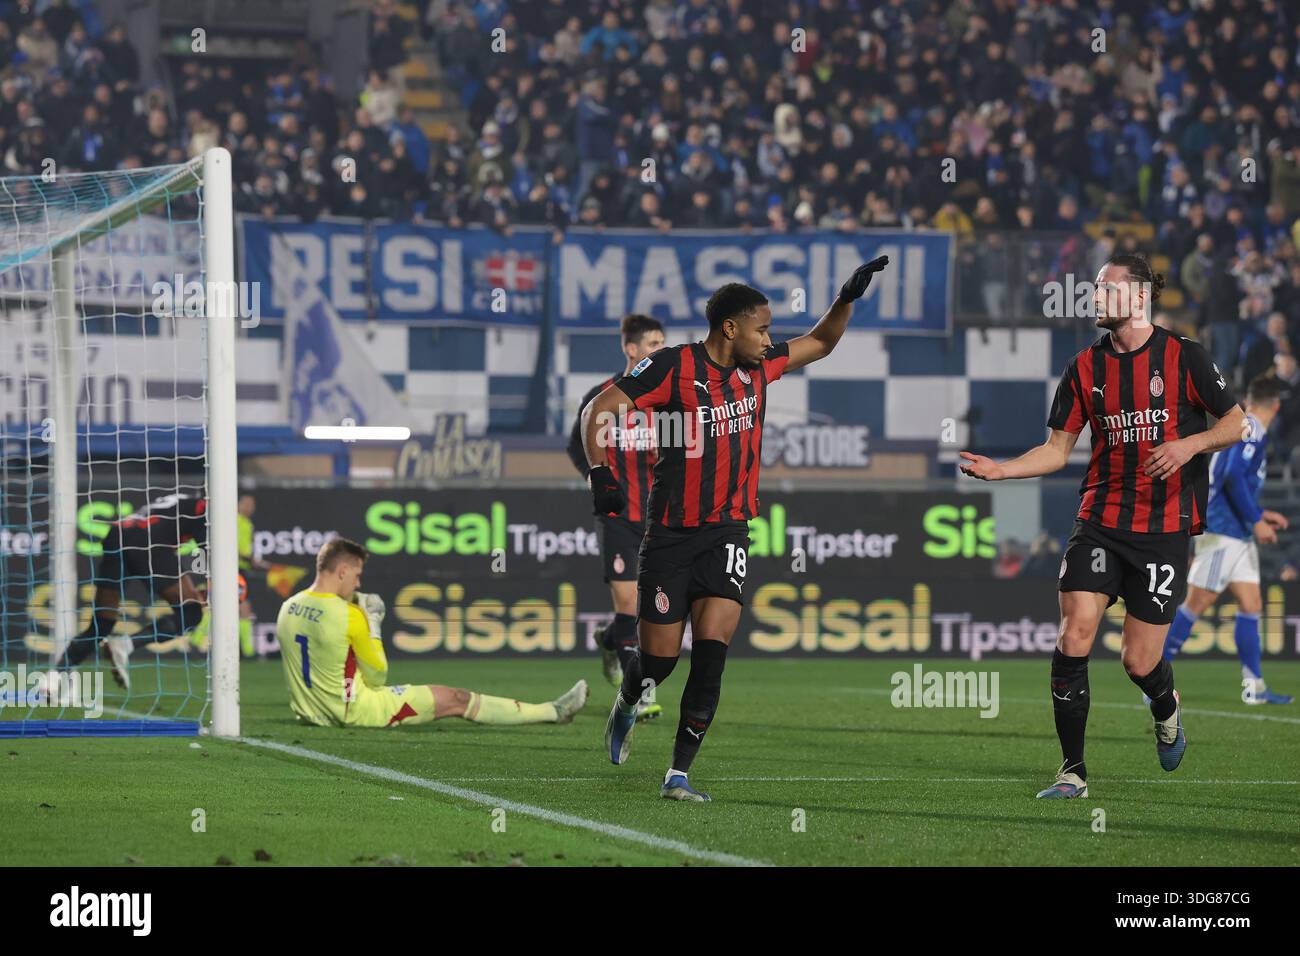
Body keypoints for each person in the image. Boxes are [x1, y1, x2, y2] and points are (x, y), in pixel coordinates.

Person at [580, 255, 889, 801]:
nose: (770, 339)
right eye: (762, 327)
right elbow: (601, 408)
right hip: (671, 536)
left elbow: (821, 342)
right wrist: (600, 471)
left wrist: (846, 298)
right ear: (730, 328)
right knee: (659, 662)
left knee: (713, 653)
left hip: (728, 532)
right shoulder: (672, 367)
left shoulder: (759, 368)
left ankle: (678, 773)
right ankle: (628, 700)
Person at [960, 253, 1246, 799]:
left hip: (1163, 529)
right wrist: (1004, 470)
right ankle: (1073, 771)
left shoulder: (1184, 357)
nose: (1094, 297)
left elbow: (1237, 422)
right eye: (1093, 289)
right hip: (1100, 520)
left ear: (1139, 297)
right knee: (1075, 634)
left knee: (1139, 660)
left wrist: (1189, 443)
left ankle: (1166, 706)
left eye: (1106, 289)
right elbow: (1055, 449)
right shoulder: (1084, 369)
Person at [276, 537, 587, 728]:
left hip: (312, 713)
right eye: (356, 575)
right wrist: (373, 623)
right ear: (342, 571)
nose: (357, 584)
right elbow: (378, 677)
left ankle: (552, 711)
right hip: (356, 712)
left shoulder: (289, 607)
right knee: (456, 698)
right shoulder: (349, 615)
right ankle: (553, 711)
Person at [1162, 374, 1292, 704]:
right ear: (1276, 405)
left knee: (1251, 605)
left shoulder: (1244, 426)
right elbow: (1231, 477)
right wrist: (1255, 520)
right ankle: (1154, 683)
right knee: (1195, 605)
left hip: (1238, 533)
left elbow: (1232, 480)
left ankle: (1254, 686)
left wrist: (1260, 515)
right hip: (1223, 532)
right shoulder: (1250, 429)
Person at [566, 314, 665, 722]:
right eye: (655, 344)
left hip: (659, 518)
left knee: (645, 611)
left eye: (663, 343)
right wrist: (596, 477)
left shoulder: (666, 400)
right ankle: (638, 692)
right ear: (632, 349)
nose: (661, 350)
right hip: (618, 517)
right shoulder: (602, 397)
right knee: (628, 607)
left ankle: (609, 641)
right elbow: (577, 447)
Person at [58, 492, 209, 690]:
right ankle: (125, 645)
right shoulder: (205, 510)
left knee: (102, 624)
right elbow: (208, 556)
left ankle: (54, 677)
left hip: (116, 535)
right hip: (148, 542)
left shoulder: (181, 499)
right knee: (191, 612)